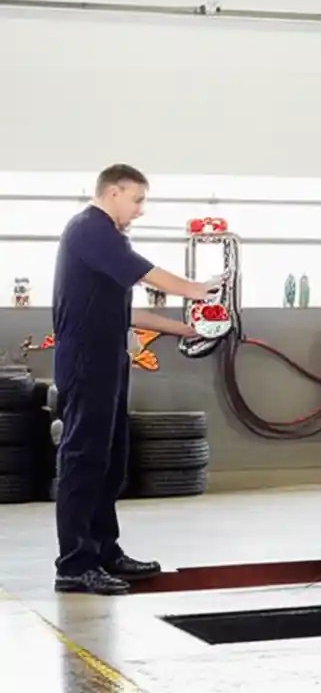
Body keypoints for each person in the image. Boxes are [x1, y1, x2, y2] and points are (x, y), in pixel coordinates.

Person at [52, 163, 219, 595]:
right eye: (137, 199)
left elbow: (122, 311)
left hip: (110, 359)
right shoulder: (90, 229)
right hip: (87, 361)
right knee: (84, 459)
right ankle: (74, 564)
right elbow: (143, 271)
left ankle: (105, 551)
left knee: (110, 458)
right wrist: (198, 289)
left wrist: (184, 328)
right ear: (113, 192)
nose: (141, 210)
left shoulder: (106, 238)